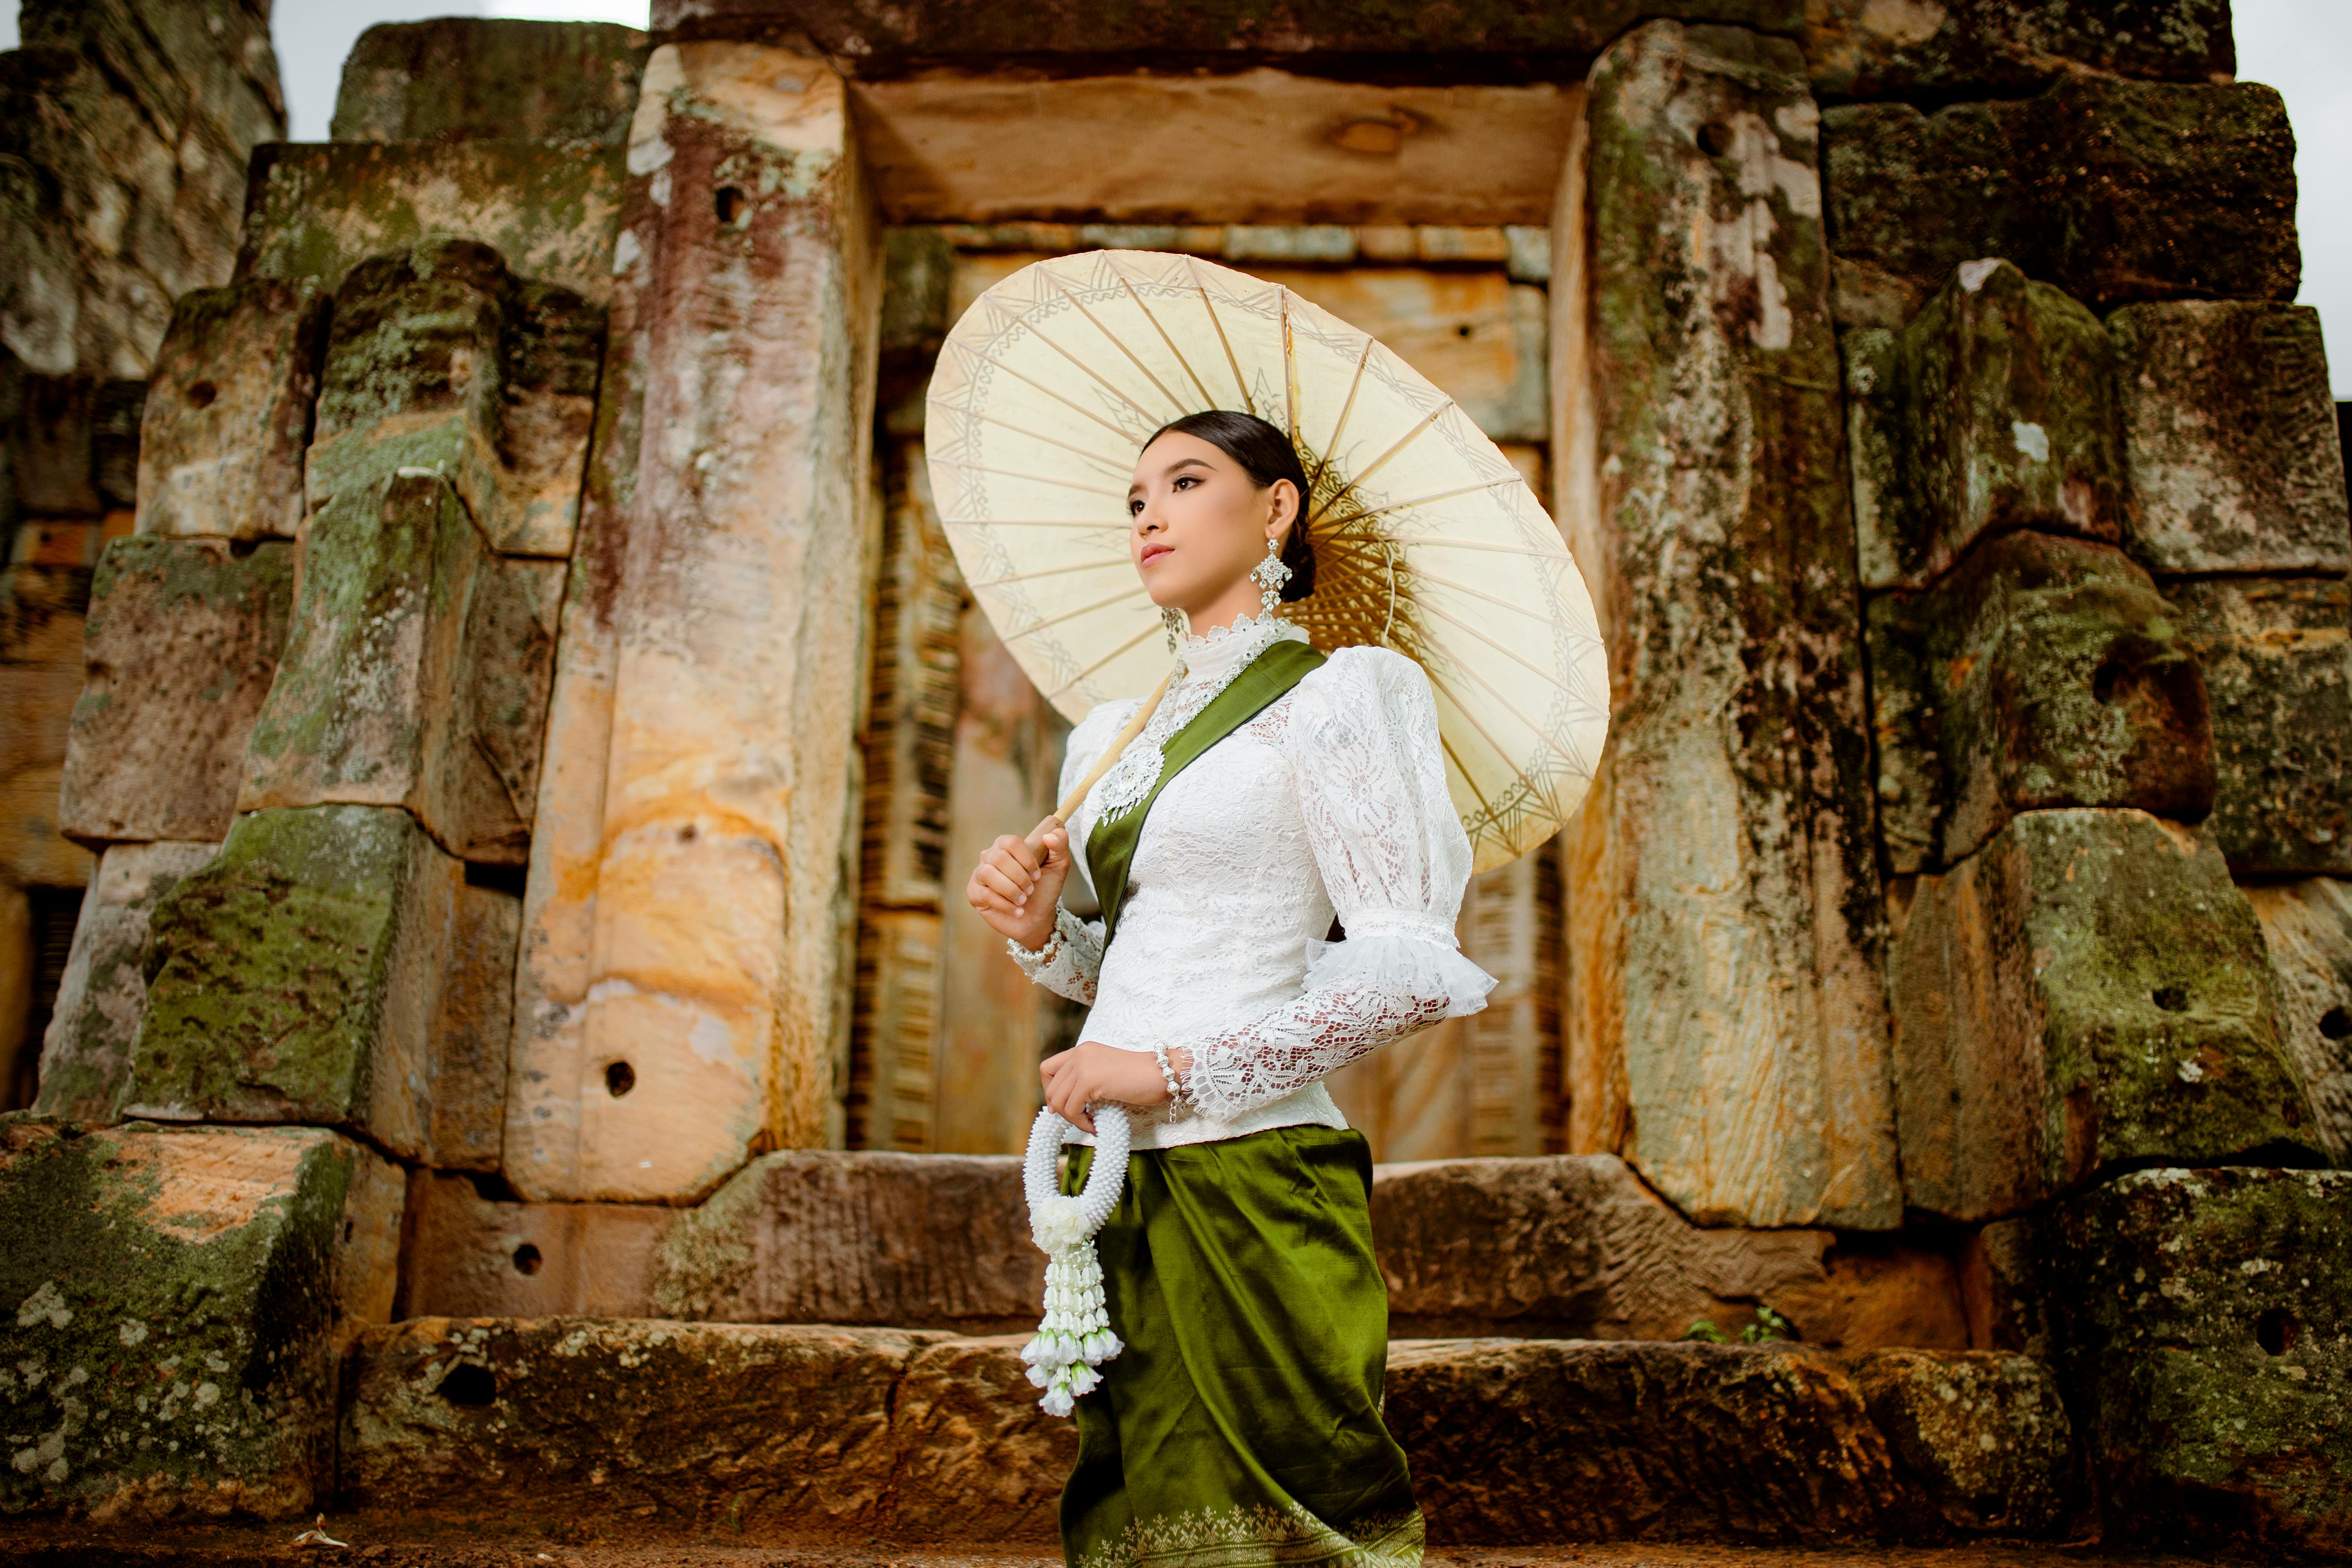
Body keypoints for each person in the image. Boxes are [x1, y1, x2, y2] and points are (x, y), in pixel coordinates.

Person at [963, 408, 1494, 1568]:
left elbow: (1407, 964)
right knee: (1145, 1531)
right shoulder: (1112, 731)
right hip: (1114, 1172)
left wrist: (1172, 1072)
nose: (1148, 512)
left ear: (1276, 509)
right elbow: (1126, 964)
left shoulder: (1345, 695)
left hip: (1252, 1168)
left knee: (1293, 1540)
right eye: (1135, 498)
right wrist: (1043, 923)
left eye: (1186, 480)